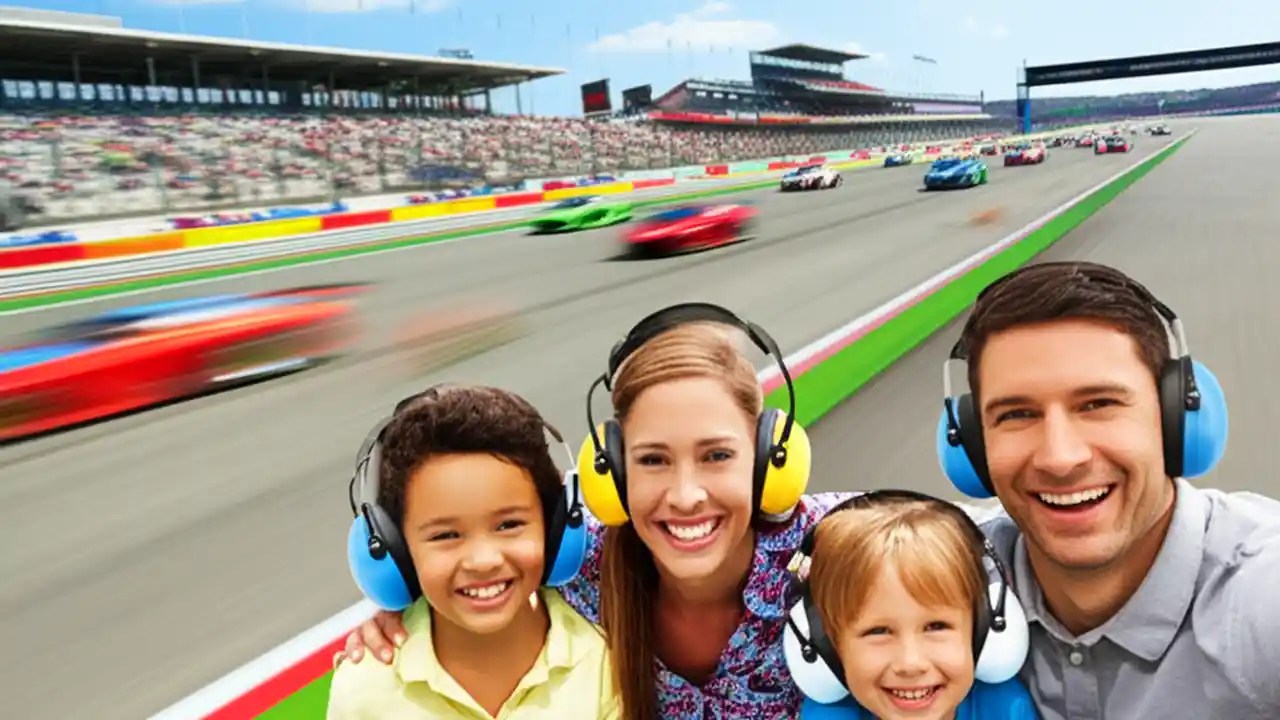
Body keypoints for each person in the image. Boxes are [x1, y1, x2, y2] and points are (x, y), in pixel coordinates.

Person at [336, 303, 852, 719]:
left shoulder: (840, 547)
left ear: (770, 459)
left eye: (717, 456)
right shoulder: (577, 564)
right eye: (652, 460)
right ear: (611, 471)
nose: (686, 495)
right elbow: (481, 548)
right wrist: (401, 608)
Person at [936, 261, 1280, 718]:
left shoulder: (1260, 594)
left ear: (1178, 418)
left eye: (1099, 404)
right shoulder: (945, 573)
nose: (1060, 458)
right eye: (1017, 414)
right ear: (972, 446)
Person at [331, 384, 617, 719]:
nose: (484, 561)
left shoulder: (603, 667)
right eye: (446, 535)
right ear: (397, 550)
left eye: (509, 525)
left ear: (556, 528)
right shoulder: (364, 689)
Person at [782, 489, 1036, 720]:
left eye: (936, 626)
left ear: (983, 631)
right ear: (827, 648)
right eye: (878, 631)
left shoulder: (1008, 711)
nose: (910, 664)